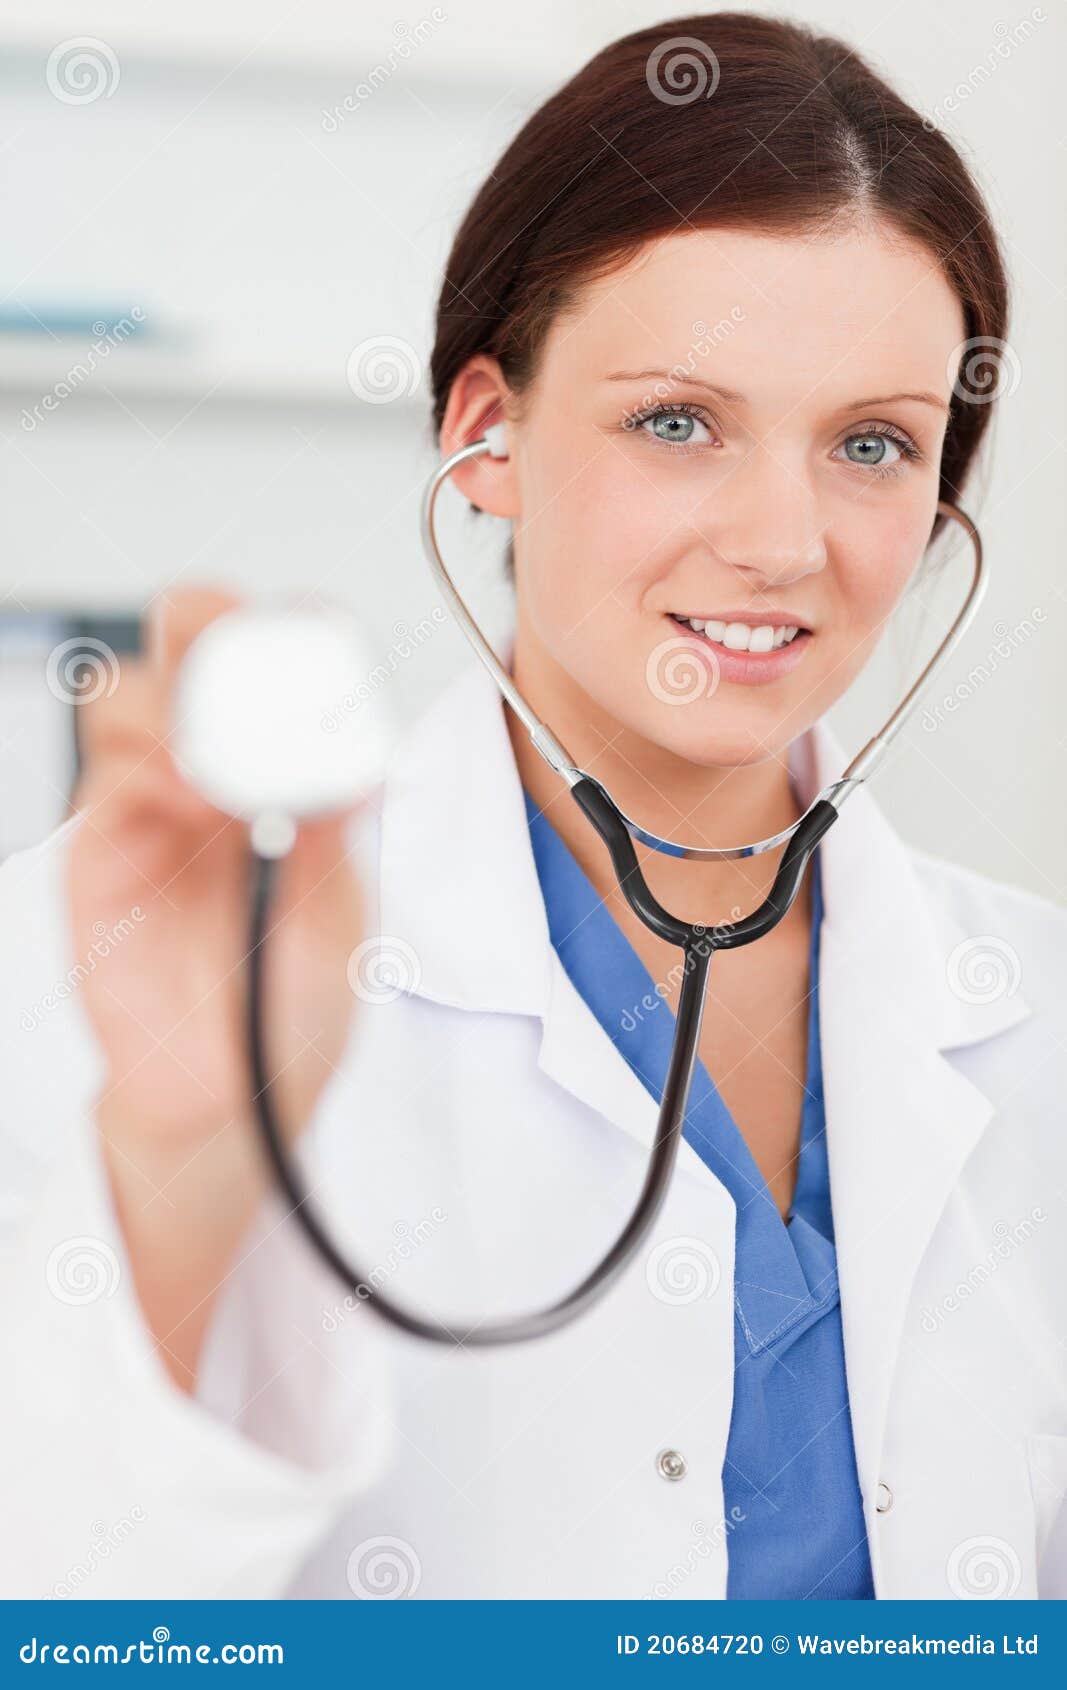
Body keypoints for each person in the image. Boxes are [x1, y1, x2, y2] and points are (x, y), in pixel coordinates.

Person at [2, 12, 1065, 1602]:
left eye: (871, 444)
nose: (784, 540)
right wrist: (182, 1171)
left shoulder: (1031, 1004)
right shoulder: (117, 959)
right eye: (678, 421)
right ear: (483, 434)